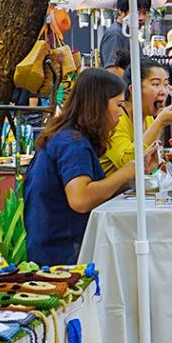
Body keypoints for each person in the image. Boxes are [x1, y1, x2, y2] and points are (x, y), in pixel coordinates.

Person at [22, 68, 147, 266]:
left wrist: (132, 178)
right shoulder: (72, 143)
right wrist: (124, 174)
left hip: (54, 247)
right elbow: (80, 199)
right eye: (118, 105)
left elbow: (93, 190)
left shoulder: (69, 137)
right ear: (98, 105)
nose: (120, 112)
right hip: (61, 255)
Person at [105, 60, 172, 175]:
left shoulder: (148, 117)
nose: (164, 92)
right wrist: (159, 123)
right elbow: (127, 162)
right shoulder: (116, 118)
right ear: (133, 89)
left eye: (165, 85)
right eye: (155, 84)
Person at [96, 0, 152, 68]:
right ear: (121, 11)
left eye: (145, 12)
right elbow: (112, 70)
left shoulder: (129, 33)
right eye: (137, 12)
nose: (141, 18)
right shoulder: (115, 35)